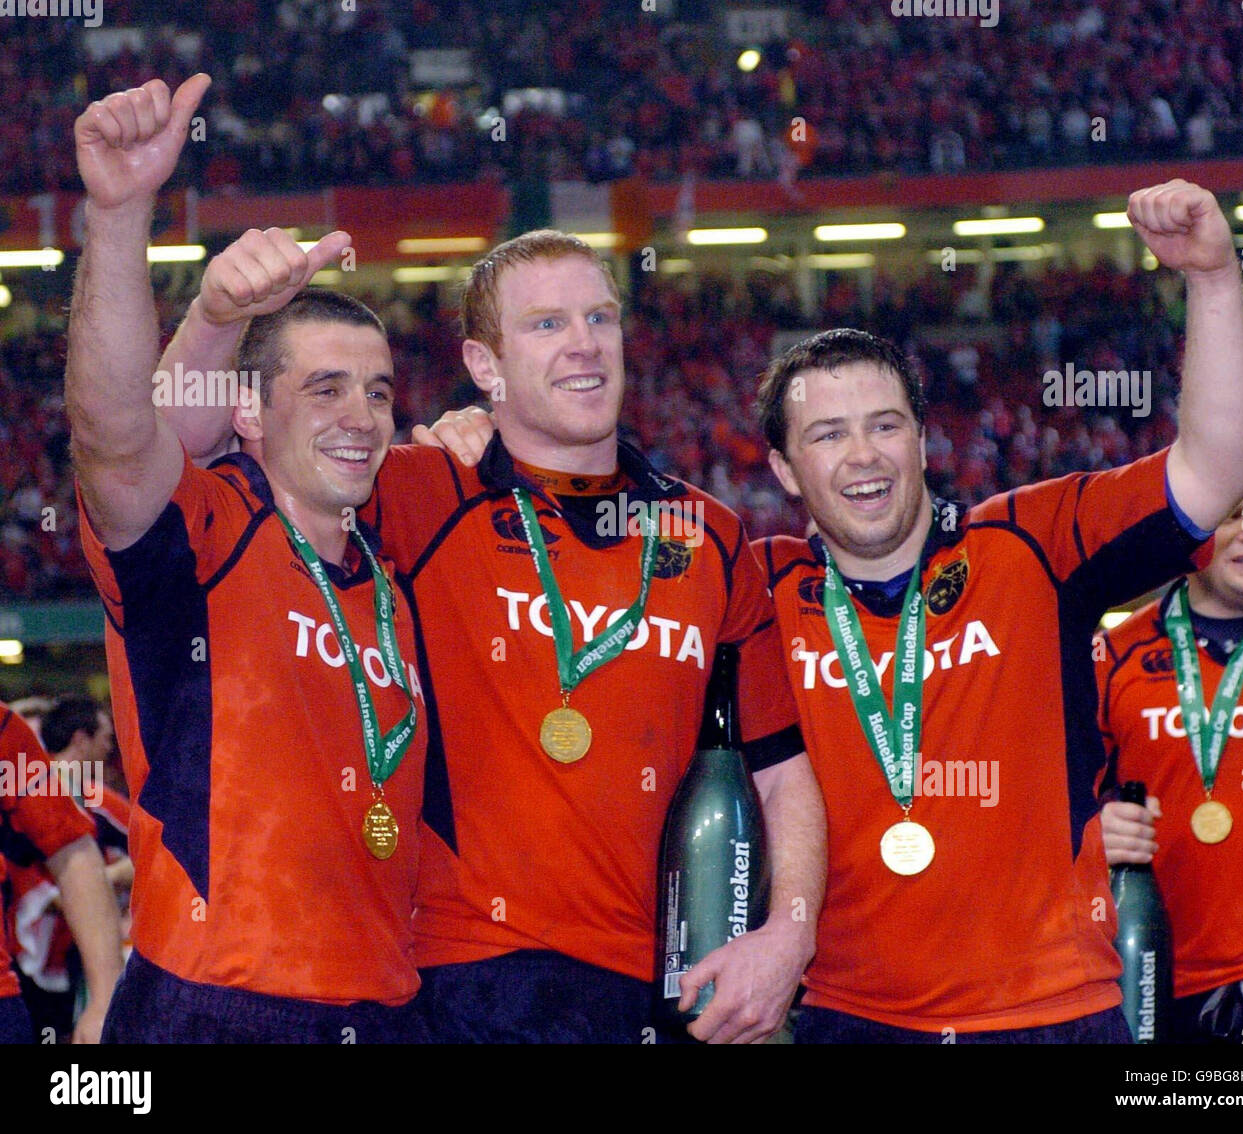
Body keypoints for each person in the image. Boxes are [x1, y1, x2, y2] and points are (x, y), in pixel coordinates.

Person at [162, 235, 826, 1044]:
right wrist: (215, 315)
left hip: (661, 986)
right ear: (484, 364)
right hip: (463, 982)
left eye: (599, 318)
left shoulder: (710, 534)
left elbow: (782, 773)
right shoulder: (417, 487)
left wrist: (789, 935)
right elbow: (178, 447)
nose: (584, 343)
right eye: (546, 325)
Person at [746, 179, 1243, 1041]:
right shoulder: (753, 589)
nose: (863, 456)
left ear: (922, 437)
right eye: (827, 434)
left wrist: (1211, 278)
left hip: (1053, 1012)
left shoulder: (1029, 542)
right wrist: (472, 445)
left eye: (885, 425)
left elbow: (1218, 466)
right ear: (783, 470)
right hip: (850, 1016)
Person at [66, 74, 430, 1042]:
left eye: (379, 391)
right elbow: (111, 432)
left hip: (388, 1007)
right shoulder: (206, 534)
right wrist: (119, 214)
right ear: (248, 411)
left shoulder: (391, 581)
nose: (361, 417)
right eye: (324, 389)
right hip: (217, 1004)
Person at [1096, 453, 1243, 1043]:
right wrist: (1095, 829)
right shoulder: (1114, 657)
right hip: (1160, 982)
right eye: (1232, 516)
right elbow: (1053, 803)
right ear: (1187, 530)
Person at [7, 697, 131, 1041]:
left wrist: (94, 885)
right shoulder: (83, 795)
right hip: (32, 957)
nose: (109, 749)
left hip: (58, 959)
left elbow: (152, 853)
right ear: (81, 738)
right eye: (106, 738)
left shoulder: (90, 796)